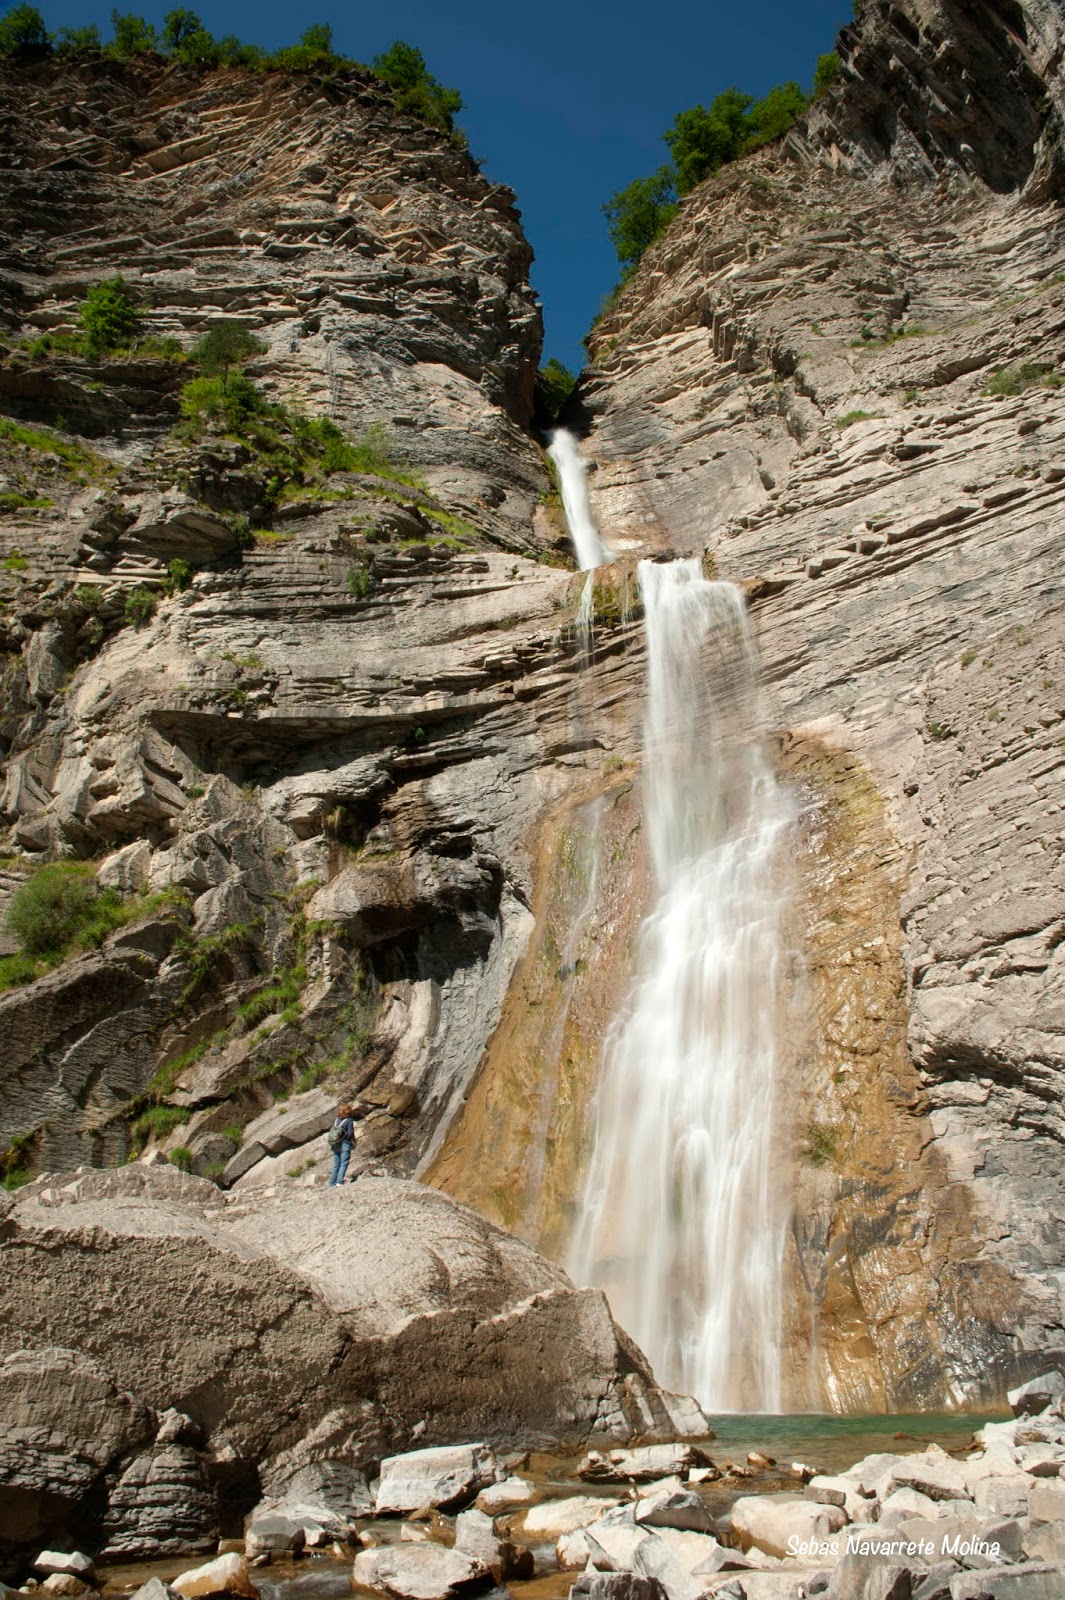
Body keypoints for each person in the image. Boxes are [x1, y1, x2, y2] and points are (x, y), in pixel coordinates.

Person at [328, 1102, 355, 1186]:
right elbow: (350, 1133)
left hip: (335, 1143)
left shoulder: (337, 1120)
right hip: (345, 1143)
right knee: (344, 1163)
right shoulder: (349, 1121)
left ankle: (332, 1183)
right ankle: (339, 1182)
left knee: (336, 1165)